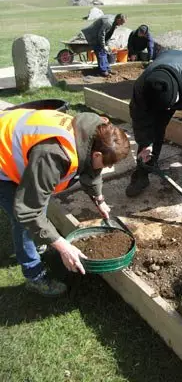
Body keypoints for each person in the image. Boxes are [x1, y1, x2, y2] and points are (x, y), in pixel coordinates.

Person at [0, 108, 130, 296]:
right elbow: (28, 211)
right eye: (108, 164)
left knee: (38, 207)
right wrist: (63, 247)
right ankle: (34, 275)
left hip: (17, 139)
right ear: (97, 155)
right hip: (3, 158)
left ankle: (40, 242)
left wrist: (99, 199)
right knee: (23, 222)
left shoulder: (93, 132)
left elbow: (90, 171)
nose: (108, 168)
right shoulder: (54, 155)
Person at [126, 50, 182, 206]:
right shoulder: (142, 87)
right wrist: (145, 143)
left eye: (169, 107)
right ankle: (142, 174)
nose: (168, 111)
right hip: (171, 69)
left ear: (176, 98)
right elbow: (140, 118)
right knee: (154, 127)